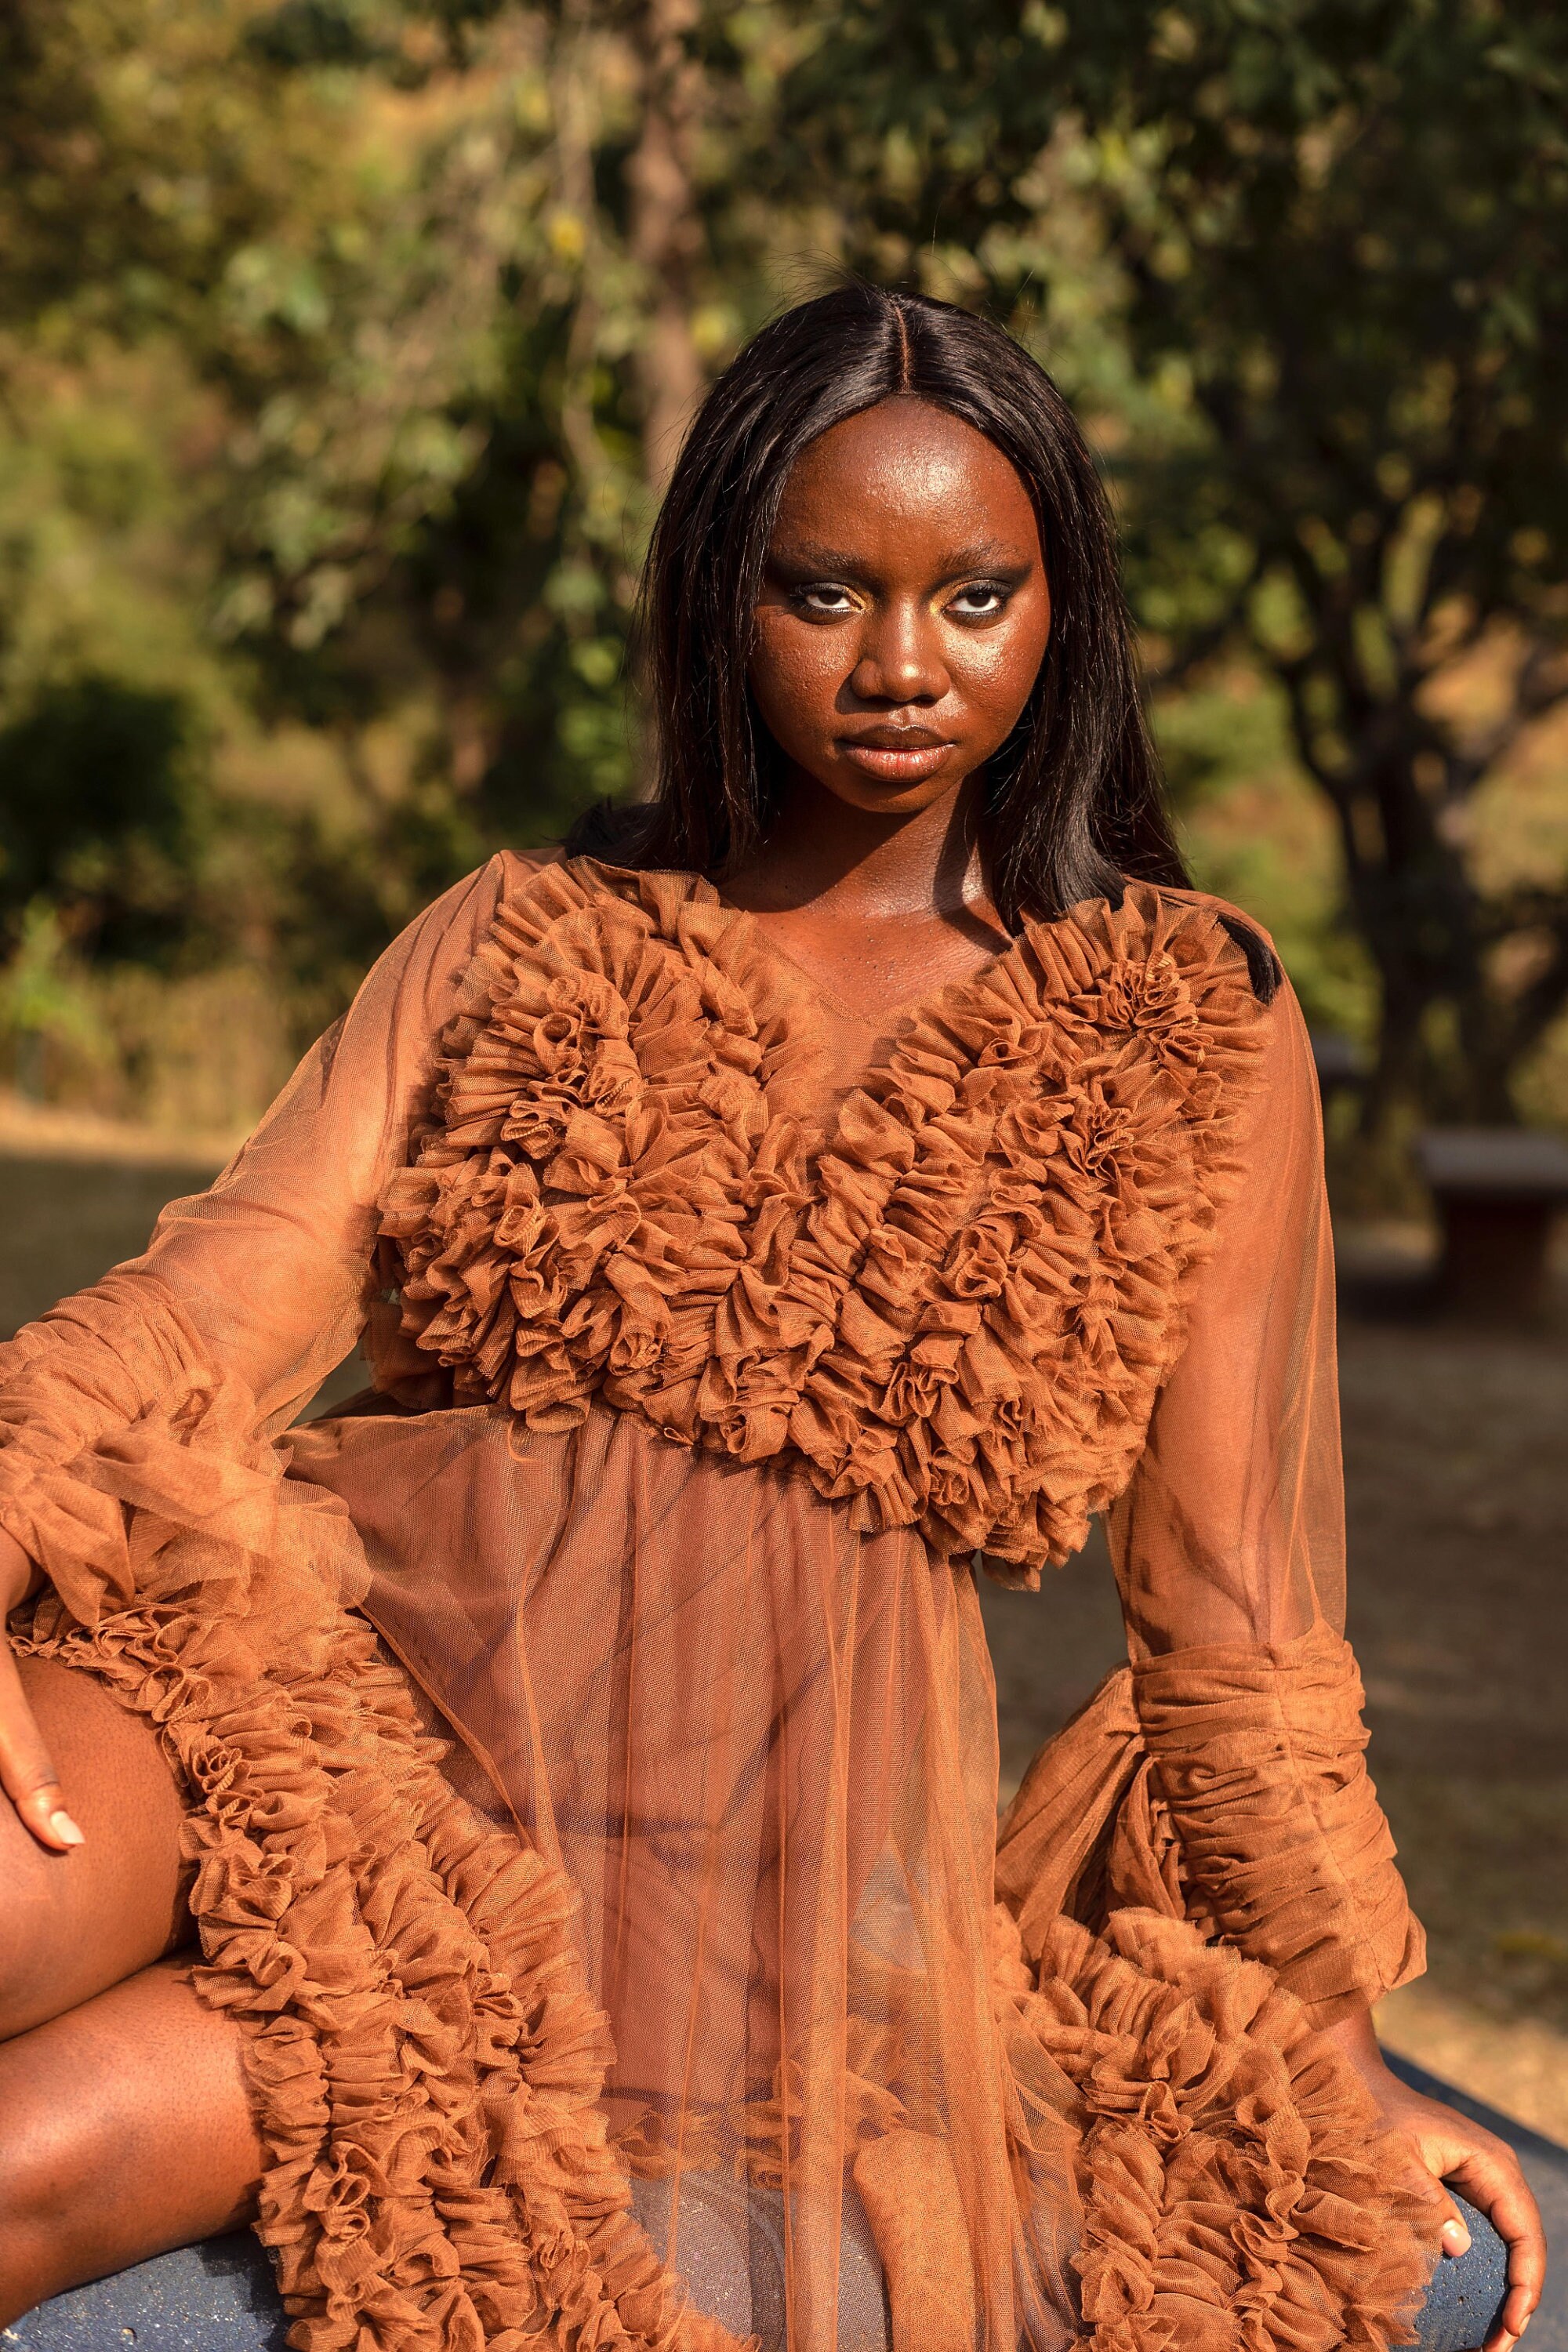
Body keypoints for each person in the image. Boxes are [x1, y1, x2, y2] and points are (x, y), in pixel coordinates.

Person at [0, 285, 1546, 2352]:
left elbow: (1235, 1608)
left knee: (31, 2162)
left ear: (1064, 610)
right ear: (724, 596)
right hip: (315, 1699)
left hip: (683, 1916)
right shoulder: (527, 933)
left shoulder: (1182, 1019)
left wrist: (1340, 2045)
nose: (903, 664)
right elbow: (218, 1298)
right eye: (827, 593)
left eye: (975, 597)